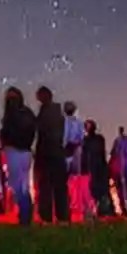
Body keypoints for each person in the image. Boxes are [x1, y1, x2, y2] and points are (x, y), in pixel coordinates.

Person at [0, 87, 36, 226]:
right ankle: (26, 213)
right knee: (23, 184)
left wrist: (6, 142)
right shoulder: (28, 113)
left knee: (17, 185)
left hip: (14, 150)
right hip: (26, 151)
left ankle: (25, 213)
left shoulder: (10, 115)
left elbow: (6, 132)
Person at [34, 86, 70, 223]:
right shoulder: (57, 112)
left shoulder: (47, 112)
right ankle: (62, 217)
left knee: (47, 186)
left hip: (48, 154)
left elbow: (44, 133)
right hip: (57, 154)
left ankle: (47, 216)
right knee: (59, 187)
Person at [62, 101, 91, 221]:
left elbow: (70, 137)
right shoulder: (75, 122)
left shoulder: (69, 122)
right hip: (71, 149)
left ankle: (76, 204)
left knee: (74, 179)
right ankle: (73, 204)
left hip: (72, 149)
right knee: (71, 179)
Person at [82, 120, 109, 217]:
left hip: (98, 168)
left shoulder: (97, 139)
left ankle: (102, 210)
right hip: (92, 168)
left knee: (100, 190)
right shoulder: (87, 140)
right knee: (93, 190)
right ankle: (95, 210)